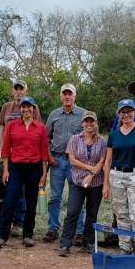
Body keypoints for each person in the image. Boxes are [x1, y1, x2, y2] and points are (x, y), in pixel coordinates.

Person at [0, 96, 49, 249]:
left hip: (34, 168)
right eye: (23, 107)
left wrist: (44, 174)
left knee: (31, 203)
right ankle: (2, 236)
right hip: (16, 168)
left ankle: (28, 235)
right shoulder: (12, 125)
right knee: (9, 201)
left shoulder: (40, 127)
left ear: (33, 109)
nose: (26, 110)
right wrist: (6, 170)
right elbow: (6, 150)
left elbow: (44, 153)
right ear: (21, 109)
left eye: (29, 107)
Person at [102, 100, 135, 253]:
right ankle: (125, 247)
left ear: (134, 112)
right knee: (121, 214)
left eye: (129, 111)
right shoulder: (114, 135)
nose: (126, 115)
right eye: (123, 112)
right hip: (117, 175)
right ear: (119, 114)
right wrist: (106, 184)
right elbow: (108, 161)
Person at [59, 111, 106, 257]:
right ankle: (65, 243)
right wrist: (89, 168)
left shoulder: (102, 141)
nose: (89, 124)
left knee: (92, 214)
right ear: (82, 123)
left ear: (96, 123)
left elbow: (102, 161)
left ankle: (88, 243)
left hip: (96, 183)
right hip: (78, 182)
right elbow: (72, 160)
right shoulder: (75, 139)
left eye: (92, 121)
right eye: (86, 121)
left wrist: (91, 175)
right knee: (72, 212)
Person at [44, 83, 86, 244]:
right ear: (61, 96)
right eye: (64, 94)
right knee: (55, 196)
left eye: (70, 94)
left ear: (75, 96)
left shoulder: (83, 114)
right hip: (57, 160)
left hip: (76, 162)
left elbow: (89, 136)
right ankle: (53, 228)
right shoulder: (54, 114)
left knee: (77, 197)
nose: (67, 96)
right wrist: (49, 156)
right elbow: (46, 137)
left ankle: (79, 232)